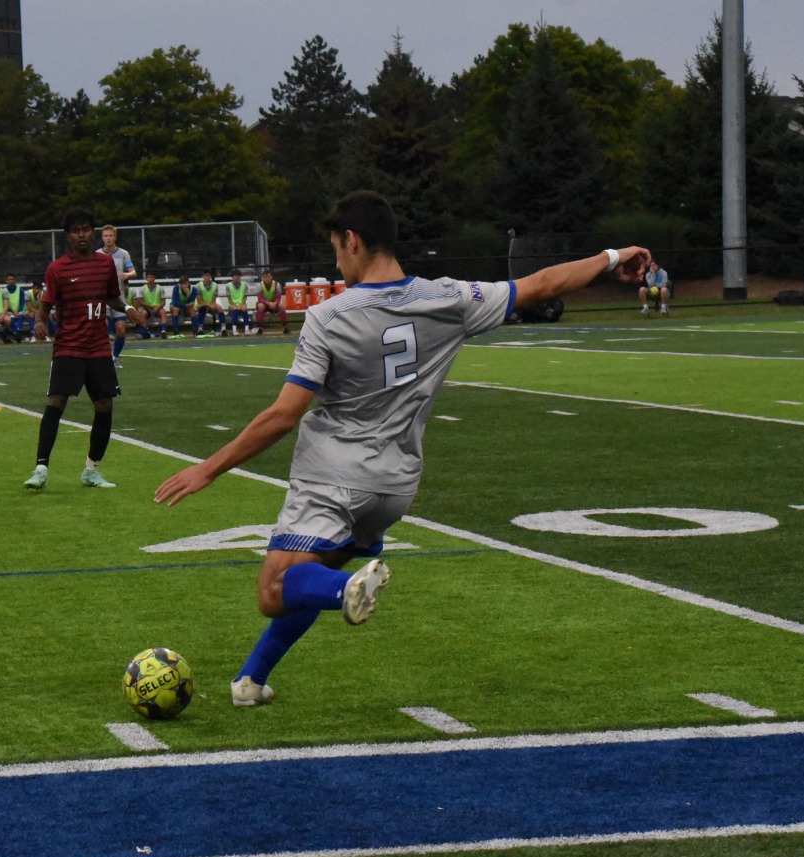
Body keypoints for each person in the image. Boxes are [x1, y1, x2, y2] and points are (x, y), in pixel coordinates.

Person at [151, 190, 649, 707]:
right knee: (318, 573)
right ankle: (251, 680)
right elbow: (542, 283)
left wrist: (209, 469)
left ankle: (344, 596)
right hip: (394, 489)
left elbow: (283, 414)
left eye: (337, 250)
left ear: (354, 241)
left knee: (276, 590)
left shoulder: (330, 317)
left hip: (333, 478)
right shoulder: (451, 298)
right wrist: (612, 258)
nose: (336, 262)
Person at [24, 209, 142, 492]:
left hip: (99, 347)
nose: (81, 235)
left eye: (86, 229)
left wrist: (128, 309)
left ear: (93, 232)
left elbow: (112, 296)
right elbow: (46, 304)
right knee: (56, 403)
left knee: (104, 405)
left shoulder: (104, 265)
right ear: (68, 235)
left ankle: (92, 470)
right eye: (75, 231)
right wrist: (40, 321)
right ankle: (41, 468)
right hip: (68, 346)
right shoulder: (57, 269)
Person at [99, 225, 136, 361]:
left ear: (115, 237)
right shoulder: (97, 254)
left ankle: (115, 357)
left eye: (110, 235)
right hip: (102, 298)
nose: (108, 238)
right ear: (102, 237)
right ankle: (103, 357)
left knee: (120, 328)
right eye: (106, 236)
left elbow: (133, 271)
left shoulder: (123, 254)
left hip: (119, 296)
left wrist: (128, 274)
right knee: (103, 327)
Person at [131, 271, 166, 338]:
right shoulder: (142, 288)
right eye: (148, 277)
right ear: (146, 279)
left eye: (151, 277)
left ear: (154, 278)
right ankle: (146, 331)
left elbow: (163, 302)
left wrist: (157, 307)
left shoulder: (160, 288)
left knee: (163, 312)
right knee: (143, 313)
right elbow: (141, 302)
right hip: (147, 308)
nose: (150, 279)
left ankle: (163, 331)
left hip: (157, 308)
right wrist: (152, 307)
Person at [169, 274, 204, 339]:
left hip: (187, 306)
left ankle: (195, 330)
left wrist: (188, 295)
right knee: (176, 309)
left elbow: (192, 302)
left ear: (188, 283)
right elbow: (175, 302)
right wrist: (185, 305)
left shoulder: (193, 289)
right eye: (182, 284)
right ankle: (175, 330)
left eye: (185, 283)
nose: (184, 285)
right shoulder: (176, 288)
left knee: (192, 309)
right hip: (178, 305)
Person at [255, 268, 289, 334]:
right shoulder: (259, 285)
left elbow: (278, 297)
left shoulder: (277, 284)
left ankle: (285, 327)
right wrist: (268, 303)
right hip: (264, 303)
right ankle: (260, 328)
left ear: (271, 277)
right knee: (260, 306)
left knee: (281, 306)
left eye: (268, 277)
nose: (267, 278)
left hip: (274, 303)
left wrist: (275, 303)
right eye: (265, 277)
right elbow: (260, 298)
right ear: (263, 278)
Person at [194, 270, 226, 338]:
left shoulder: (215, 285)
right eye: (205, 275)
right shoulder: (198, 286)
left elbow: (214, 299)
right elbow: (199, 301)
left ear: (210, 276)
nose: (207, 277)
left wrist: (211, 305)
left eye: (208, 275)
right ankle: (199, 329)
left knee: (219, 308)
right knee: (203, 308)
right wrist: (208, 305)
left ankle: (223, 329)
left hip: (211, 303)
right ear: (203, 276)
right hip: (201, 304)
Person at [222, 271, 252, 335]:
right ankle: (234, 330)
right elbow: (229, 299)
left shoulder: (245, 285)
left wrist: (241, 305)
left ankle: (247, 329)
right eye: (235, 276)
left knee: (244, 309)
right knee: (234, 310)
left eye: (238, 276)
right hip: (232, 304)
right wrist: (235, 305)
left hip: (242, 303)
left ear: (240, 277)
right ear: (232, 277)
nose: (236, 277)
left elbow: (245, 297)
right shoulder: (228, 286)